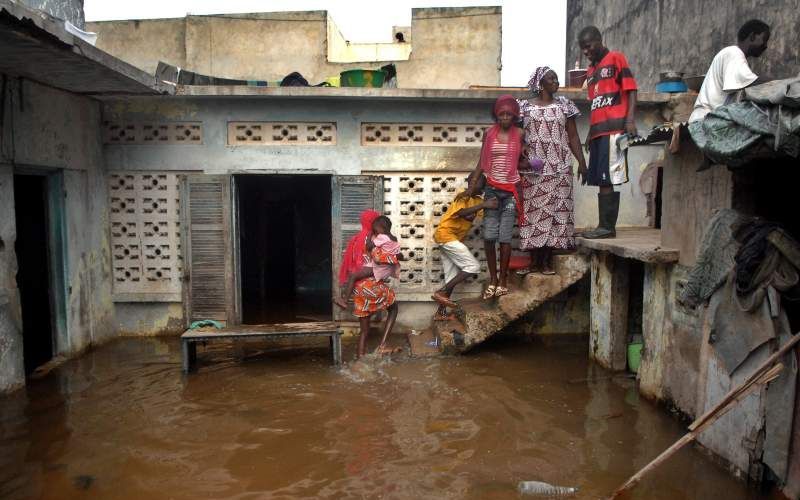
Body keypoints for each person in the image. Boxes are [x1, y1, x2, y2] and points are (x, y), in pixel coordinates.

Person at [516, 67, 587, 275]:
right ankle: (533, 262)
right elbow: (516, 135)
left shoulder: (565, 105)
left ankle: (546, 262)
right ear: (540, 83)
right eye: (551, 78)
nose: (556, 81)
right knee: (533, 215)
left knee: (555, 215)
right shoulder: (524, 107)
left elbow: (573, 136)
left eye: (556, 78)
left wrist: (582, 162)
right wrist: (521, 151)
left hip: (560, 168)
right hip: (533, 170)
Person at [461, 95, 524, 299]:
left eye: (508, 114)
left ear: (514, 116)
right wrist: (472, 186)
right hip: (492, 190)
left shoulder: (520, 133)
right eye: (501, 114)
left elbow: (523, 159)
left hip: (511, 192)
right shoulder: (489, 133)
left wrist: (533, 163)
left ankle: (503, 281)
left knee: (505, 238)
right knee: (489, 237)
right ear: (496, 115)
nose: (505, 118)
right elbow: (482, 161)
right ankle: (493, 279)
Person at [578, 26, 638, 239]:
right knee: (600, 178)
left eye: (588, 46)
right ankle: (603, 225)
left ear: (599, 40)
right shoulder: (590, 72)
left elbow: (631, 90)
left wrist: (629, 120)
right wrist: (590, 132)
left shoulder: (616, 58)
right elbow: (595, 104)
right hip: (598, 132)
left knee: (607, 178)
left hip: (614, 130)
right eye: (583, 48)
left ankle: (607, 227)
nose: (586, 51)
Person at [431, 172, 498, 320]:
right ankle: (441, 292)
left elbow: (477, 213)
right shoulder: (463, 196)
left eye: (484, 185)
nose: (483, 188)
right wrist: (484, 204)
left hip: (451, 239)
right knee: (472, 266)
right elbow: (461, 212)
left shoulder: (477, 200)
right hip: (446, 235)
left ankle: (440, 313)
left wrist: (490, 204)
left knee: (451, 276)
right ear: (471, 182)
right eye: (481, 184)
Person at [335, 211, 400, 358]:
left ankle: (360, 359)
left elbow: (354, 265)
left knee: (364, 331)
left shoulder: (355, 240)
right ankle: (383, 344)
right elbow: (382, 258)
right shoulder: (376, 238)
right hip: (372, 285)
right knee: (394, 308)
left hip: (358, 289)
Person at [688, 19, 770, 123]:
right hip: (706, 120)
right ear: (752, 36)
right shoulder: (734, 53)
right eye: (764, 39)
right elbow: (752, 81)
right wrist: (778, 83)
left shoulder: (736, 58)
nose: (765, 45)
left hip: (711, 119)